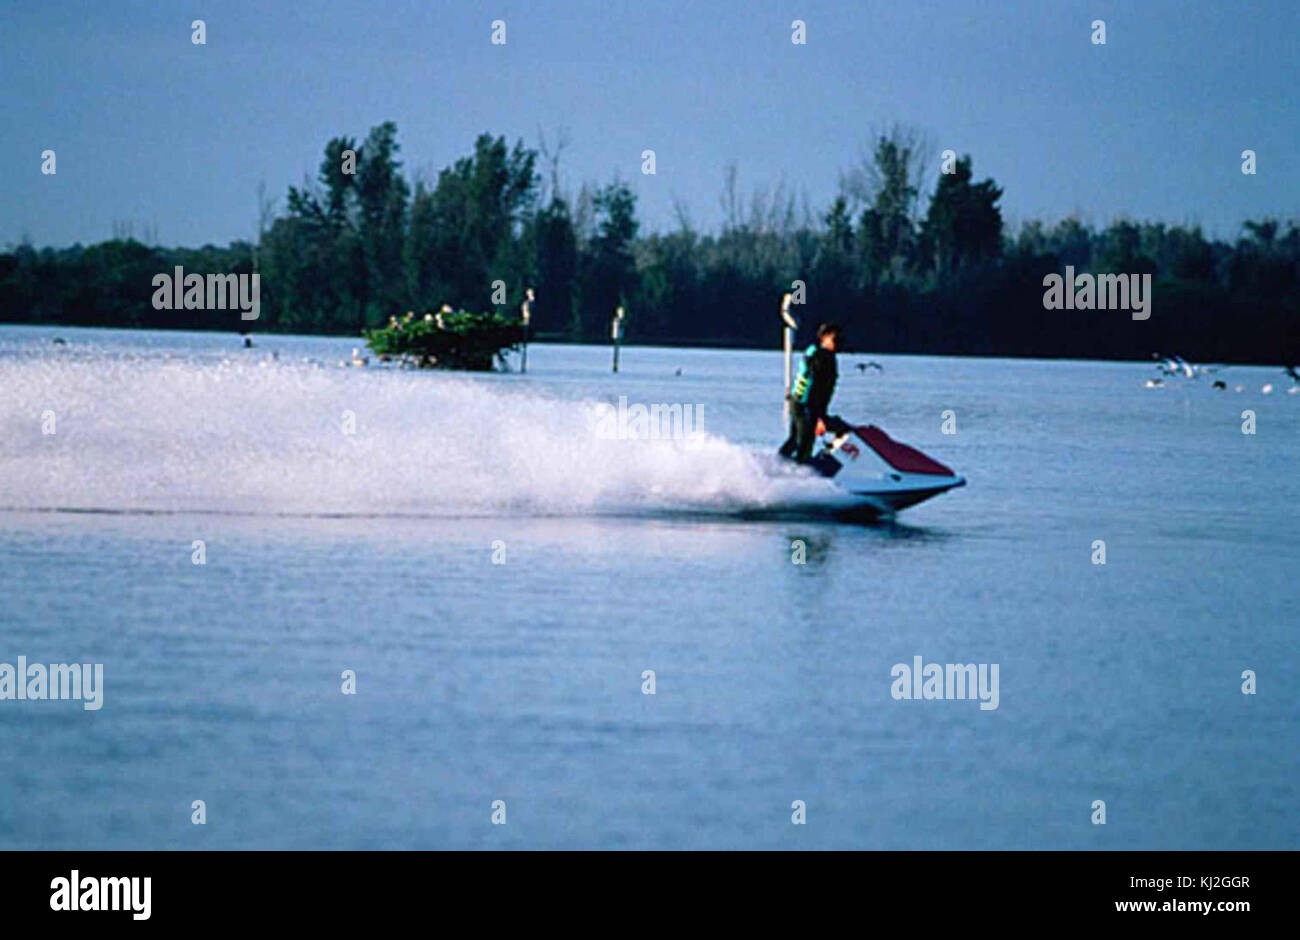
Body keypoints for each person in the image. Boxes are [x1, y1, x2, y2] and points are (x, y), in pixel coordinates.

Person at [779, 322, 841, 463]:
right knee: (804, 445)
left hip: (797, 402)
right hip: (806, 406)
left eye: (840, 340)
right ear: (823, 338)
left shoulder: (814, 351)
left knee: (794, 440)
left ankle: (778, 466)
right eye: (835, 339)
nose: (838, 344)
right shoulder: (823, 359)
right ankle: (798, 477)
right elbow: (816, 388)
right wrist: (819, 417)